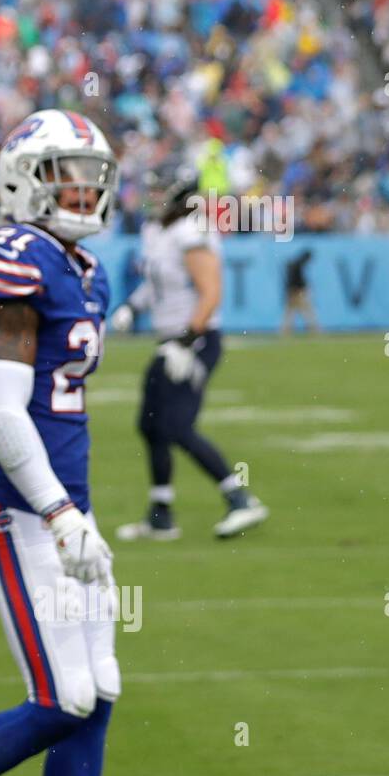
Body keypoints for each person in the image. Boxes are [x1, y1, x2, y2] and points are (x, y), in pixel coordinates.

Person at [0, 109, 120, 776]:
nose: (82, 191)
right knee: (62, 698)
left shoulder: (87, 269)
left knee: (99, 690)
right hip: (18, 510)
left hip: (67, 508)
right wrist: (60, 514)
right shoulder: (13, 254)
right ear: (21, 181)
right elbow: (4, 414)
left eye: (91, 177)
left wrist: (75, 513)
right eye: (65, 176)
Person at [110, 167, 268, 540]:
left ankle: (240, 498)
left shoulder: (191, 231)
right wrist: (132, 308)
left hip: (194, 340)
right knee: (150, 424)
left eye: (163, 187)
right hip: (169, 340)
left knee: (177, 426)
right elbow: (156, 287)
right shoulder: (157, 231)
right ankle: (161, 514)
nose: (155, 194)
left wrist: (186, 341)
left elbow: (211, 293)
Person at [281, 248, 318, 335]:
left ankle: (285, 331)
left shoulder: (294, 264)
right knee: (307, 311)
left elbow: (289, 280)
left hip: (292, 291)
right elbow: (297, 280)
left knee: (289, 313)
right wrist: (303, 288)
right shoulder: (298, 265)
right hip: (298, 292)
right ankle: (314, 329)